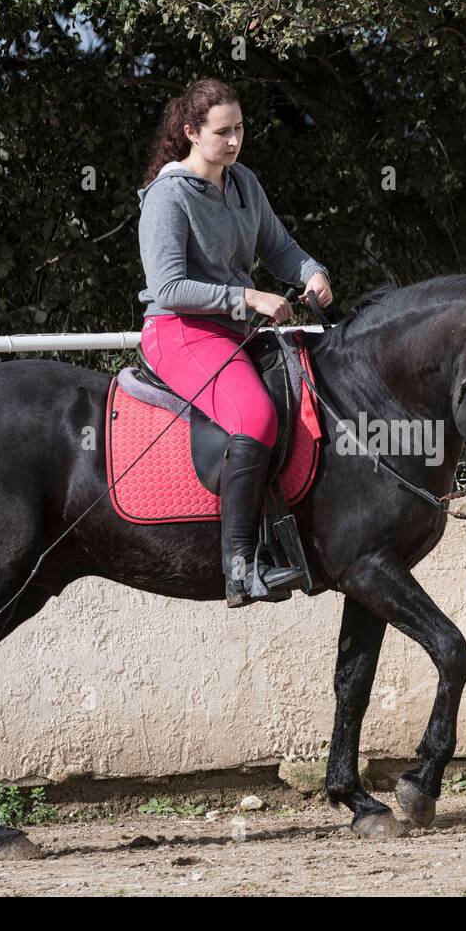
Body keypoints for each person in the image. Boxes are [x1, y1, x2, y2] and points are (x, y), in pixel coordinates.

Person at [136, 77, 333, 607]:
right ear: (190, 133)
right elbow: (169, 288)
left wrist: (311, 272)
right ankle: (241, 568)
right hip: (179, 331)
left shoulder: (243, 182)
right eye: (222, 132)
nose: (234, 141)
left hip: (232, 331)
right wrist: (248, 298)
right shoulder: (166, 197)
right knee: (255, 417)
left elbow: (279, 248)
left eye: (240, 128)